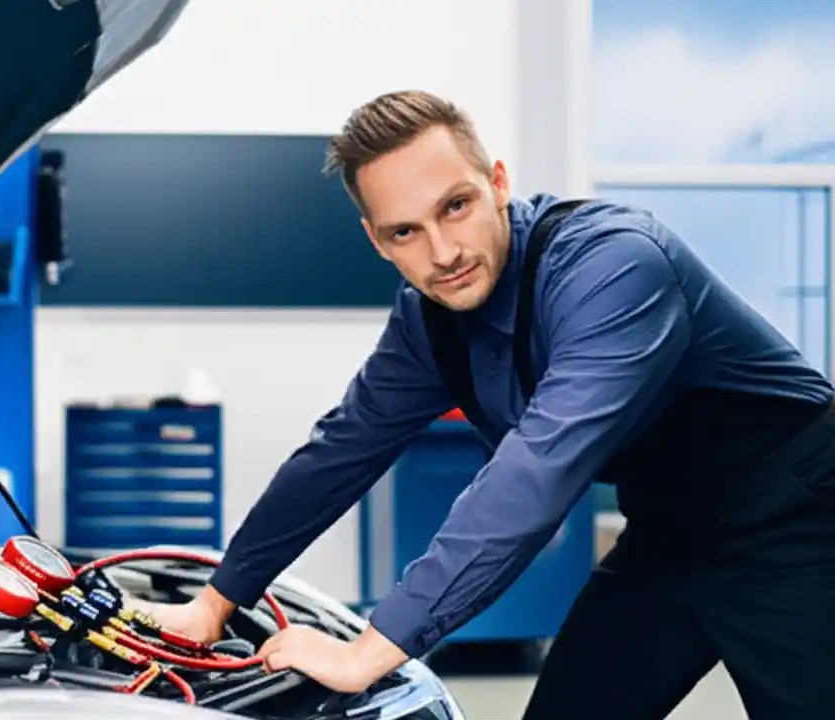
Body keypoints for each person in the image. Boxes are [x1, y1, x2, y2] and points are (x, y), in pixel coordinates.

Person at [132, 90, 835, 718]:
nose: (443, 253)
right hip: (670, 532)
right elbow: (340, 451)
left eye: (455, 207)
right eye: (406, 231)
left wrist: (369, 650)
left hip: (800, 519)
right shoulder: (429, 321)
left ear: (498, 183)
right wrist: (217, 601)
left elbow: (535, 471)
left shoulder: (614, 265)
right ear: (378, 241)